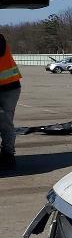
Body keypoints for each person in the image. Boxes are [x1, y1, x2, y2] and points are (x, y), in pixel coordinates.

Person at [0, 31, 22, 171]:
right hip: (10, 87)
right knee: (5, 122)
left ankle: (8, 156)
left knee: (5, 122)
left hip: (7, 89)